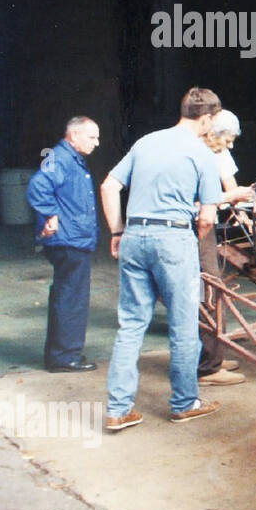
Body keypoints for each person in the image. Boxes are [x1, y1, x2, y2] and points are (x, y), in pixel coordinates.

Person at [100, 88, 225, 431]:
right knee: (184, 326)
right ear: (206, 118)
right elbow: (207, 218)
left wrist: (116, 232)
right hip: (173, 238)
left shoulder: (146, 143)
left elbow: (109, 186)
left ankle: (117, 409)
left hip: (134, 237)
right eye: (213, 122)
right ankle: (184, 403)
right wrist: (186, 241)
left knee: (131, 325)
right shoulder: (201, 154)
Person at [25, 116, 101, 372]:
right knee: (71, 297)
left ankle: (62, 353)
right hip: (69, 240)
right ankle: (64, 357)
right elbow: (37, 186)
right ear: (74, 135)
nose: (97, 143)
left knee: (68, 295)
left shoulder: (69, 159)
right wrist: (51, 215)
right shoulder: (60, 158)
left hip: (74, 238)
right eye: (92, 137)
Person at [197, 109, 254, 386]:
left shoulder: (218, 151)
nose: (230, 146)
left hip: (207, 227)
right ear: (212, 133)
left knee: (212, 289)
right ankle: (208, 367)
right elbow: (199, 202)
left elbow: (229, 179)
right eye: (227, 140)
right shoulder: (195, 152)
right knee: (209, 290)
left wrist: (240, 209)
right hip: (195, 229)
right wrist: (232, 196)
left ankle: (212, 357)